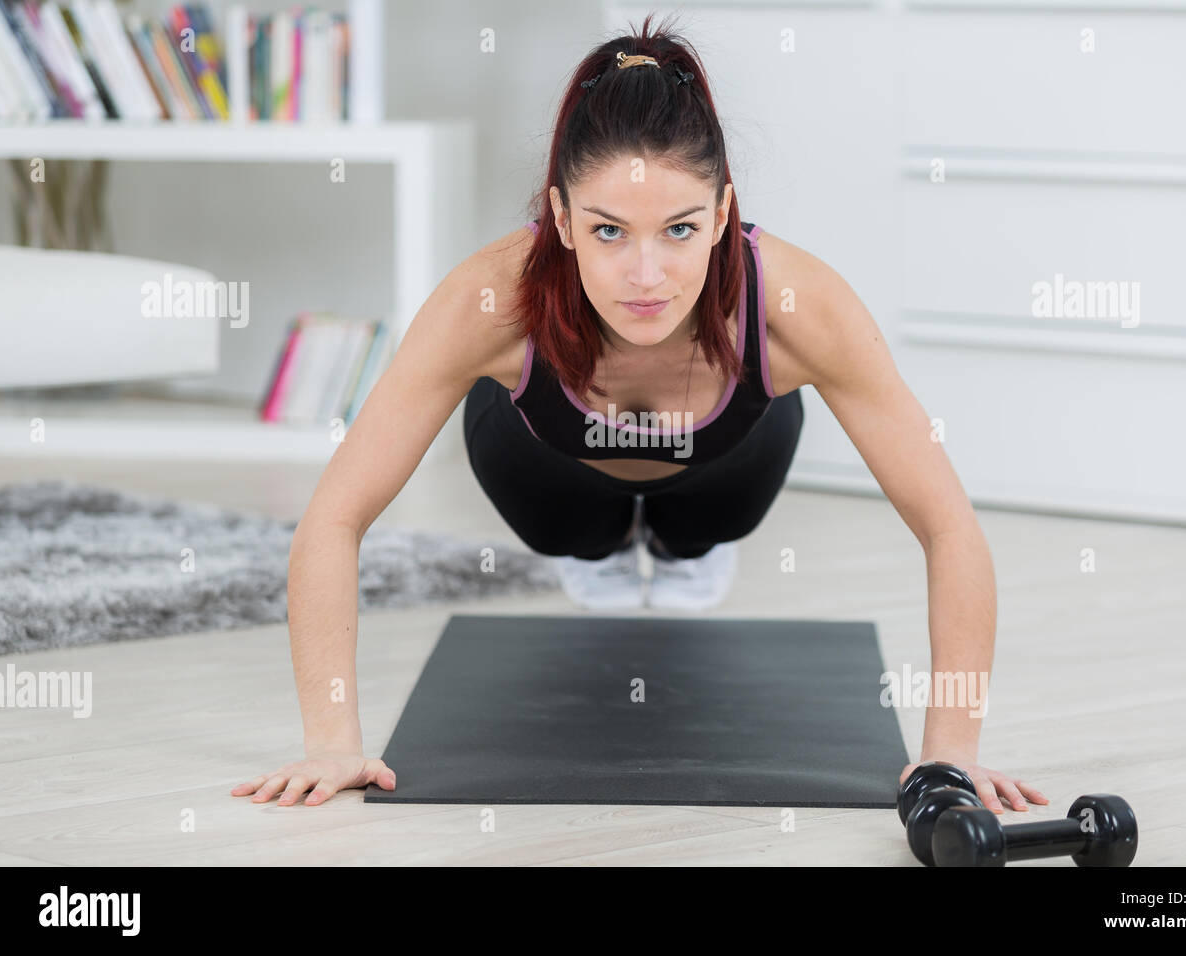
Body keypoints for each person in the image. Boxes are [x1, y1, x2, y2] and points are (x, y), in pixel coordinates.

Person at [233, 13, 1048, 820]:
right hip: (549, 459)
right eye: (610, 231)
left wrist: (951, 750)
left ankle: (679, 544)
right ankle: (603, 549)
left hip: (723, 457)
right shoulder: (487, 300)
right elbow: (336, 518)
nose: (646, 275)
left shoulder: (802, 308)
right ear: (560, 218)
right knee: (570, 533)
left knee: (707, 519)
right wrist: (333, 739)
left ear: (724, 213)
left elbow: (950, 527)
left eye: (681, 229)